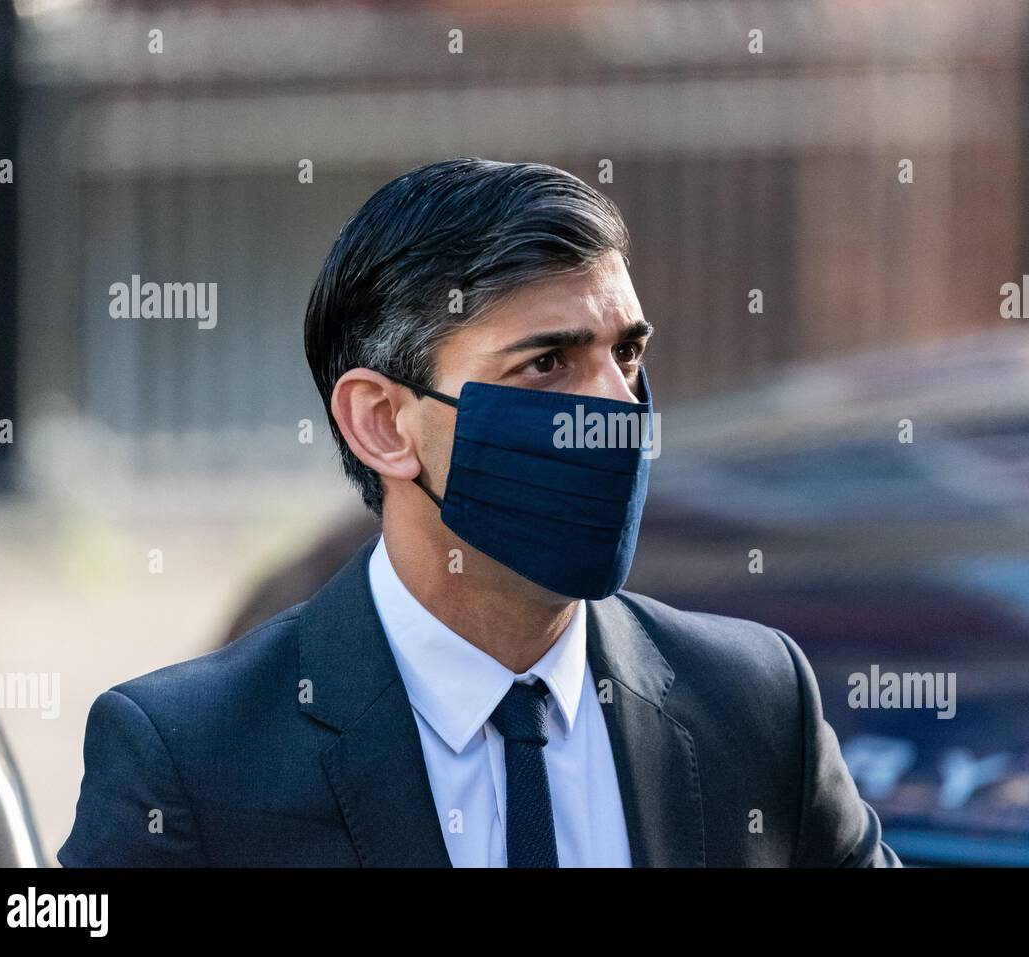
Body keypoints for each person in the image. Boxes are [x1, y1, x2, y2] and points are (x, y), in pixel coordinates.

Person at [59, 157, 901, 868]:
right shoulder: (191, 758)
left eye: (628, 353)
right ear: (384, 423)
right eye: (546, 364)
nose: (617, 409)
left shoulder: (755, 704)